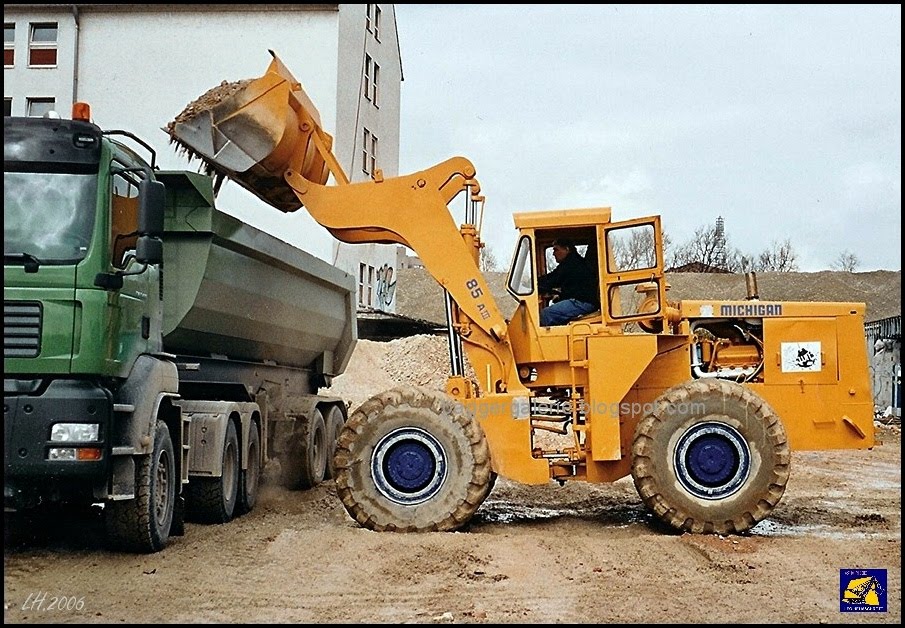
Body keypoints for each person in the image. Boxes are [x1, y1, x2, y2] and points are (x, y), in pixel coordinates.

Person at [538, 239, 600, 326]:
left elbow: (551, 280)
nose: (553, 254)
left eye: (556, 250)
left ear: (567, 249)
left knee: (546, 314)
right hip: (582, 300)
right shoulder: (572, 262)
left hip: (583, 302)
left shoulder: (571, 263)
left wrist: (535, 284)